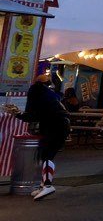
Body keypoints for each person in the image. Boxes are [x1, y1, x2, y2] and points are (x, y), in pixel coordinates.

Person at [4, 73, 70, 201]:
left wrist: (17, 114)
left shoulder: (36, 92)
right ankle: (42, 185)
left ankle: (47, 185)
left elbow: (32, 116)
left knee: (47, 155)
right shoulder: (50, 94)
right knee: (47, 155)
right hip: (61, 126)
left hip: (53, 127)